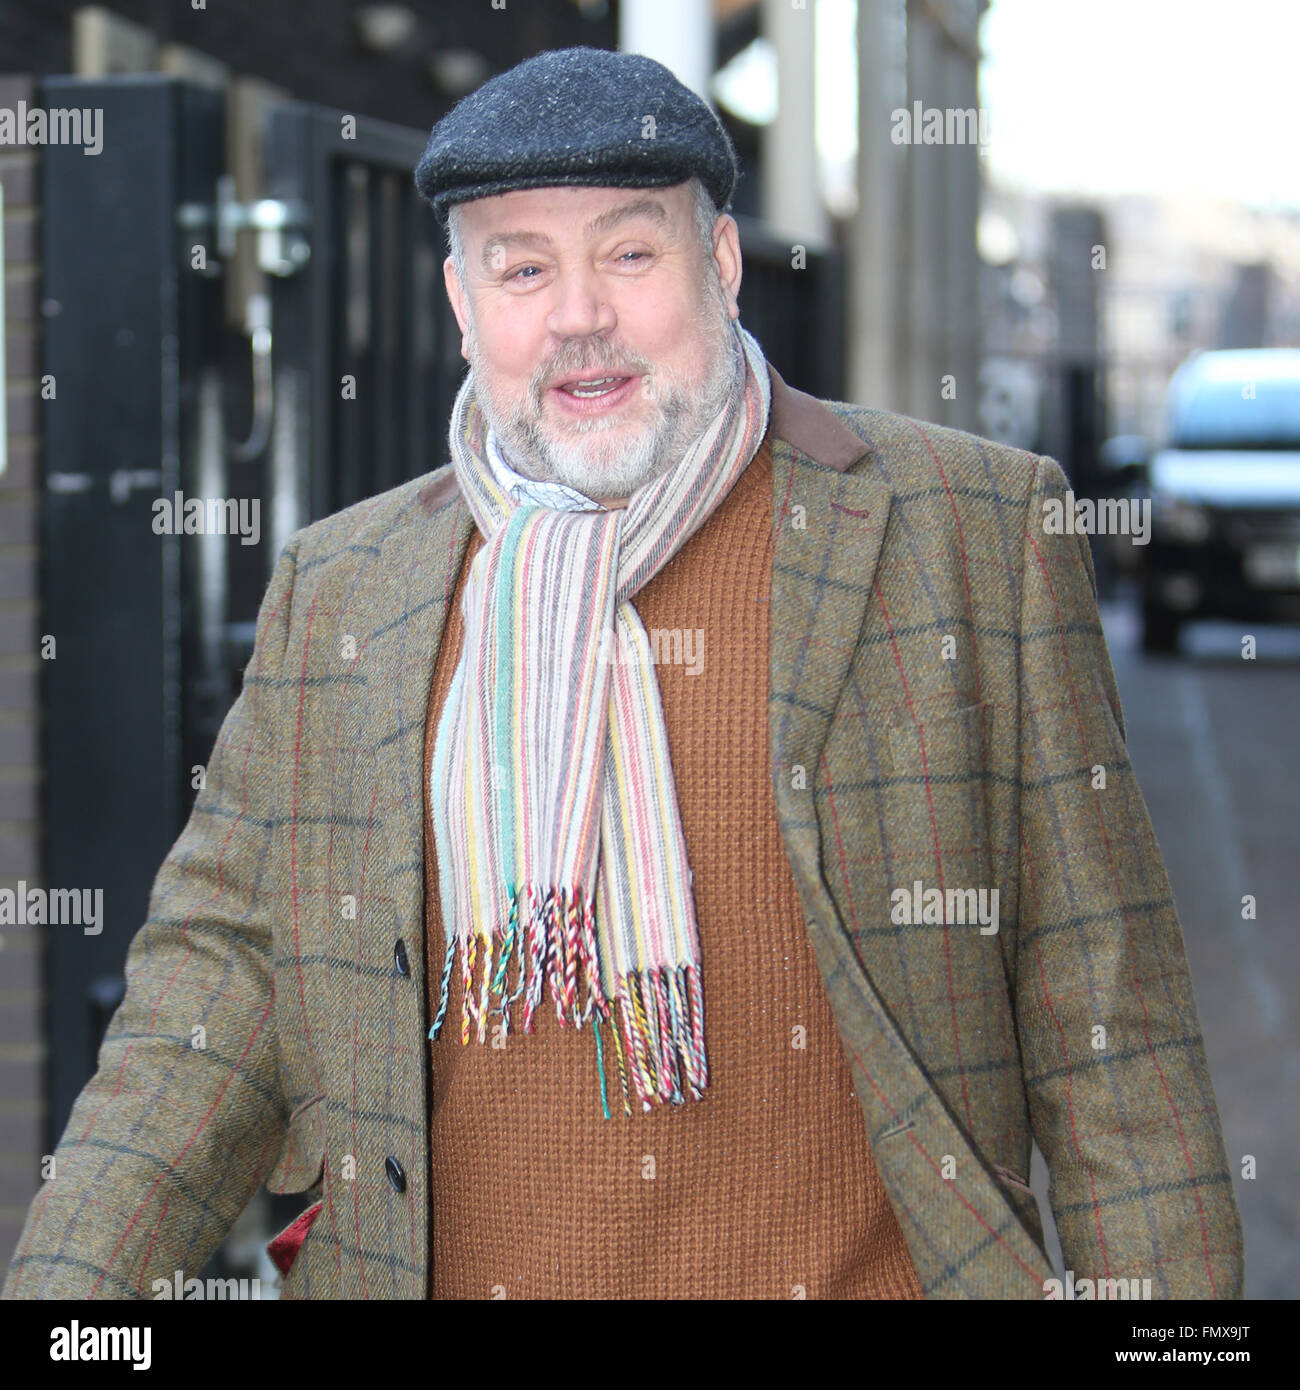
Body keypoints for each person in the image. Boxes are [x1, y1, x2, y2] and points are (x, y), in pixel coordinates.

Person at [3, 46, 1242, 1301]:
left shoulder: (968, 531)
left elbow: (1111, 1024)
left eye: (628, 253)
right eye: (522, 266)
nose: (577, 313)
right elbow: (214, 988)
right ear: (461, 299)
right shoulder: (347, 586)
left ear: (720, 266)